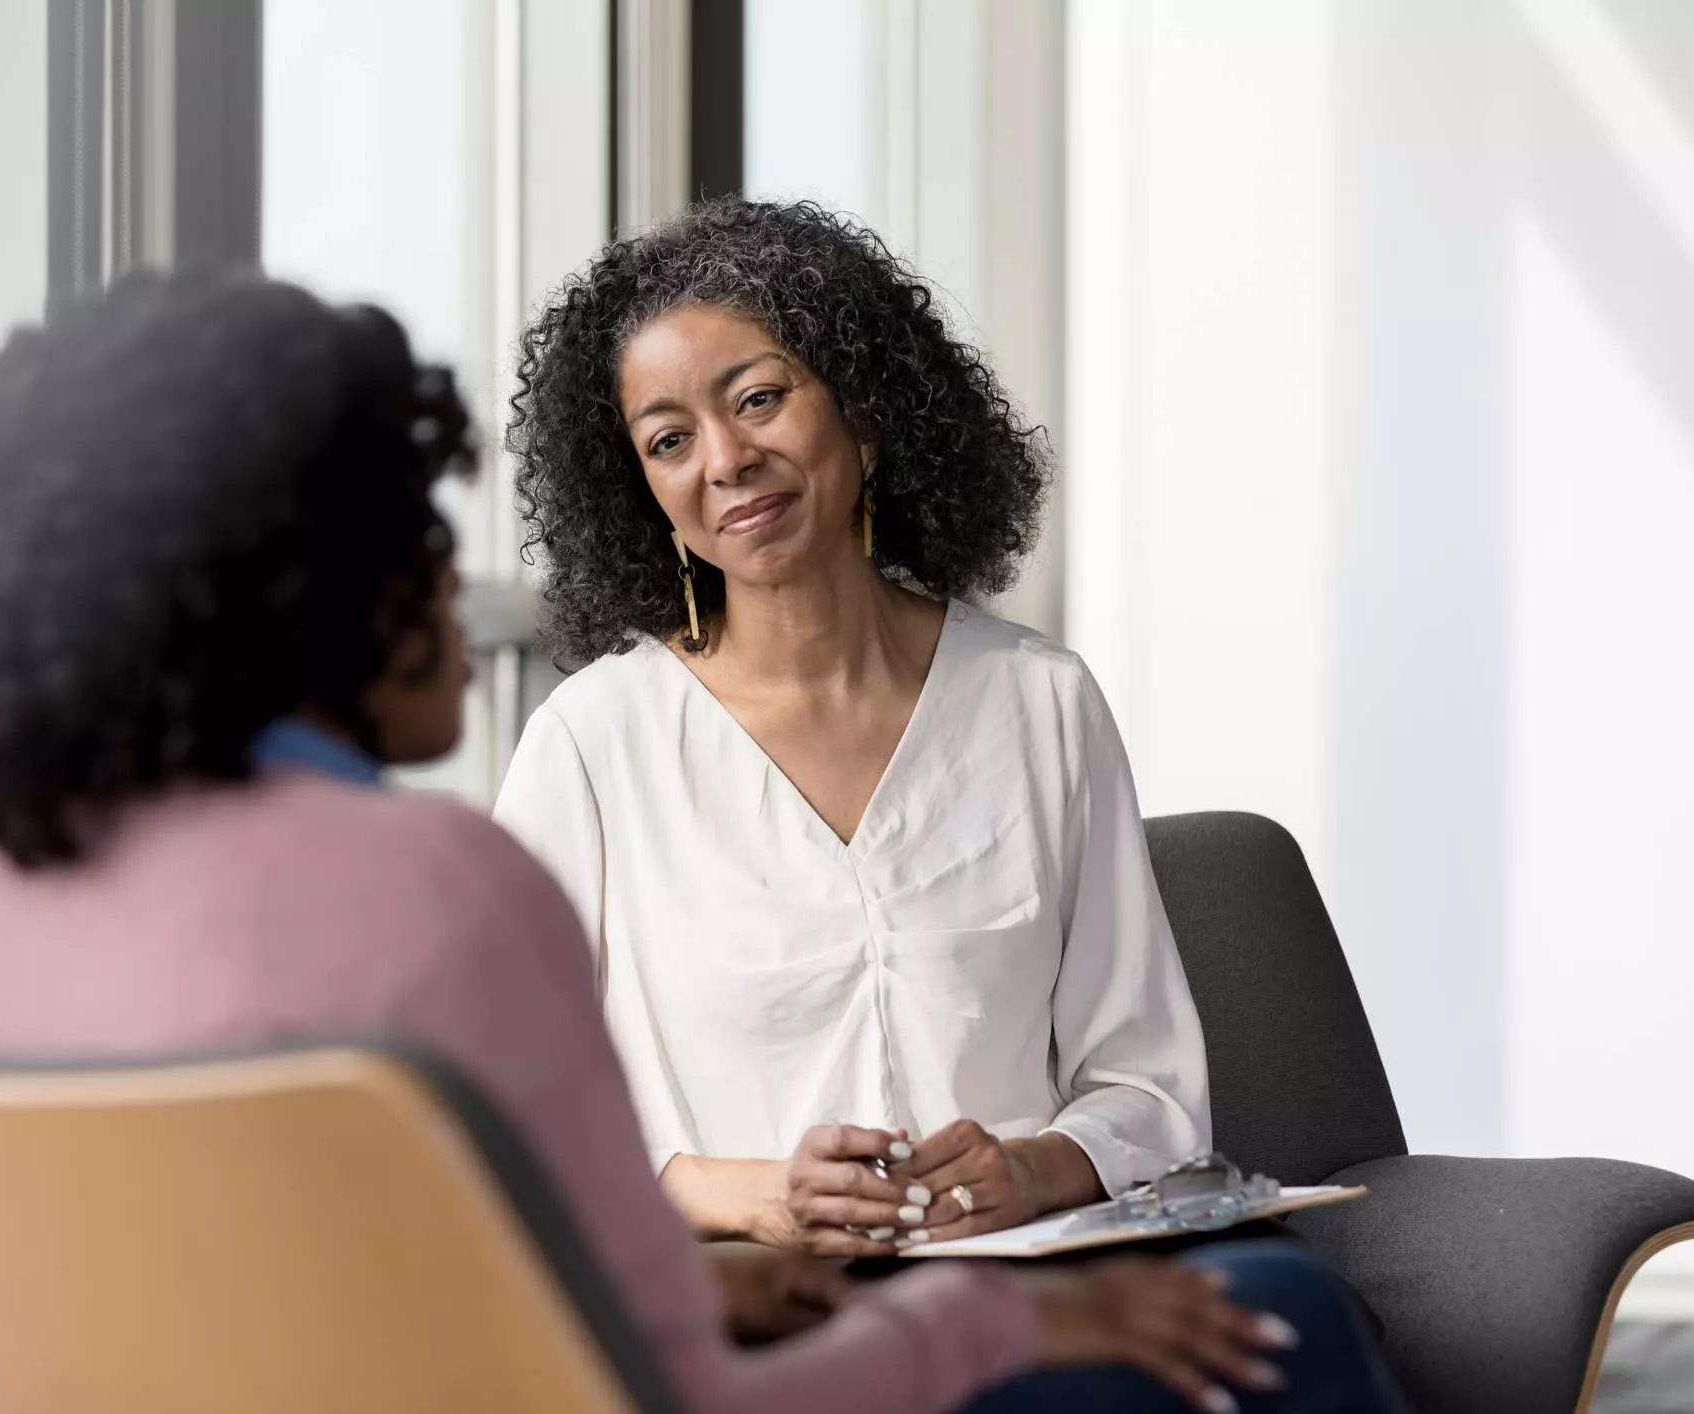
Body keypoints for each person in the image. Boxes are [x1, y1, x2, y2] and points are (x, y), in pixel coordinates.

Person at [0, 270, 1406, 1413]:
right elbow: (651, 1370)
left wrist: (765, 1263)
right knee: (1276, 1315)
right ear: (289, 589)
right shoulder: (446, 879)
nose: (464, 598)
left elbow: (474, 1250)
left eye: (758, 399)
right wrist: (1004, 1325)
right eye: (413, 537)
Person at [495, 197, 1207, 1255]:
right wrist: (751, 1196)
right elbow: (507, 1115)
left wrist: (1032, 1166)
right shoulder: (593, 747)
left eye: (761, 397)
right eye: (669, 439)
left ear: (865, 414)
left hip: (1031, 1285)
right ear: (640, 489)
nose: (727, 459)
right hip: (754, 1309)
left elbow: (1148, 1086)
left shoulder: (1041, 703)